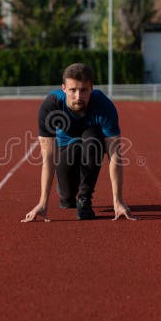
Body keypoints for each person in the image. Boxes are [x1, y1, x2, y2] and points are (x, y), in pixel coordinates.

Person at [22, 63, 136, 222]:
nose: (78, 96)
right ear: (63, 88)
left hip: (91, 143)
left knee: (93, 139)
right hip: (66, 149)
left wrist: (118, 201)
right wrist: (42, 203)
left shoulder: (103, 106)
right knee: (67, 200)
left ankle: (84, 199)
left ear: (91, 88)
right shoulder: (51, 107)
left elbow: (115, 155)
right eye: (72, 90)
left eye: (83, 90)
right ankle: (67, 193)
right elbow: (48, 158)